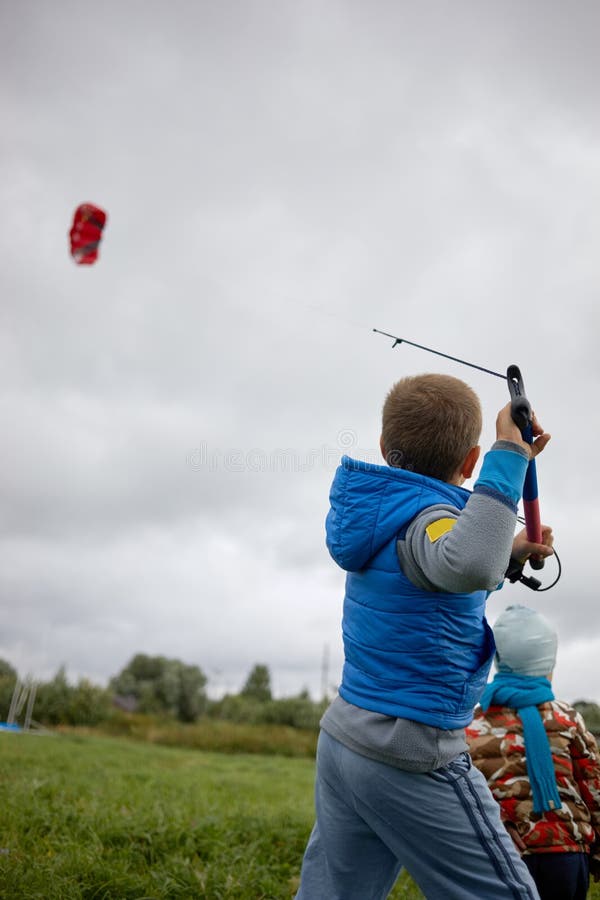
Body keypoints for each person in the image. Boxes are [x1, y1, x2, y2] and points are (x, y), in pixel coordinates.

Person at [295, 373, 554, 900]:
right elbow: (464, 560)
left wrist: (511, 554)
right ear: (470, 462)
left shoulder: (385, 518)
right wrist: (508, 456)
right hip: (409, 750)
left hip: (346, 737)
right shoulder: (430, 518)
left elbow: (438, 584)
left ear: (387, 450)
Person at [466, 604, 600, 900]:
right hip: (565, 855)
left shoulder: (472, 725)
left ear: (498, 659)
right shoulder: (567, 719)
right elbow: (594, 789)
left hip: (502, 853)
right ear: (548, 664)